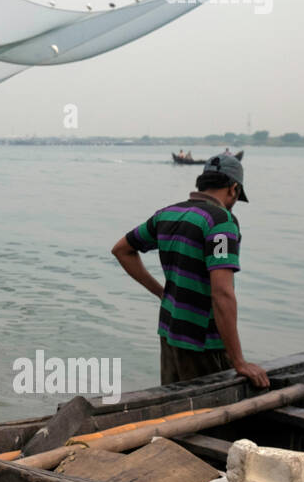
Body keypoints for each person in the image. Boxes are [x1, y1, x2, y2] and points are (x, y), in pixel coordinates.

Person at [111, 154, 269, 388]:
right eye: (236, 196)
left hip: (169, 334)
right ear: (233, 189)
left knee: (177, 411)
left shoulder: (167, 214)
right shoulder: (221, 224)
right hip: (203, 343)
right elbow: (222, 293)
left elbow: (122, 250)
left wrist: (161, 293)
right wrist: (239, 361)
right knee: (211, 417)